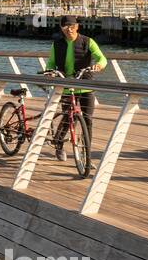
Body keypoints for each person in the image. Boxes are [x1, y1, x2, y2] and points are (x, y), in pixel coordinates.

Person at [45, 16, 107, 160]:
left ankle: (87, 154)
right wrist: (49, 72)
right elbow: (51, 63)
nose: (69, 29)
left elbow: (101, 58)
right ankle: (59, 144)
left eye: (72, 26)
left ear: (77, 26)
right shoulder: (57, 44)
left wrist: (99, 65)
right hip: (66, 85)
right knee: (68, 116)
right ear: (61, 28)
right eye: (65, 26)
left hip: (85, 84)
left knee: (88, 119)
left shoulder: (88, 41)